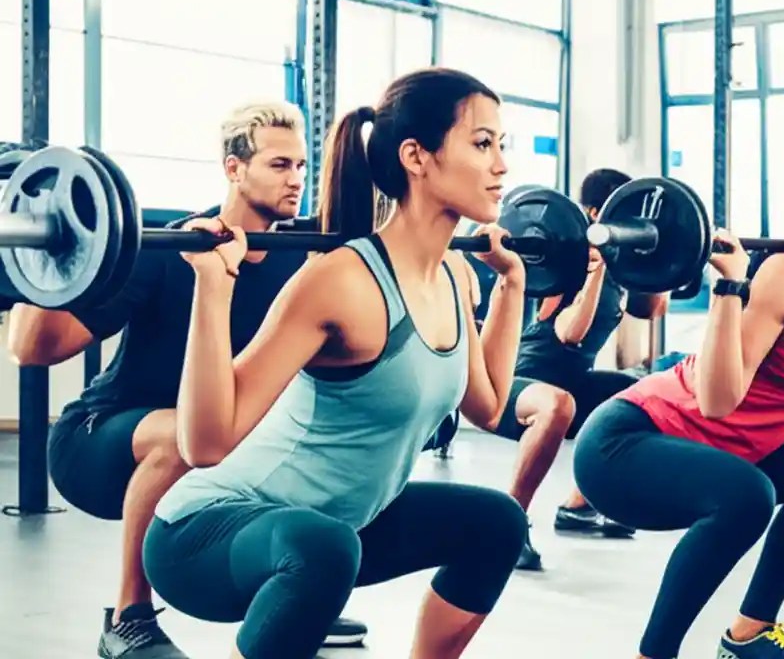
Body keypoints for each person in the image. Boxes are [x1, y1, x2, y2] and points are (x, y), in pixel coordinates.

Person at [140, 67, 530, 659]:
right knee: (323, 548)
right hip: (206, 534)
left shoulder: (453, 274)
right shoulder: (341, 282)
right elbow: (204, 444)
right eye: (482, 144)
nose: (501, 164)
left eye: (502, 145)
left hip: (342, 526)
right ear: (416, 157)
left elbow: (490, 405)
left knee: (497, 523)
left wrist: (511, 287)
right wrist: (213, 289)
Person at [6, 101, 368, 657]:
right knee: (185, 437)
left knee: (305, 435)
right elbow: (32, 348)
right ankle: (128, 617)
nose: (296, 179)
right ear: (233, 169)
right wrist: (50, 251)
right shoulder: (176, 247)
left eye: (301, 165)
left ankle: (303, 587)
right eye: (278, 165)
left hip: (216, 444)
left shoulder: (304, 262)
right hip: (98, 442)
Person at [573, 119, 784, 659]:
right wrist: (729, 286)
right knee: (746, 495)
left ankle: (749, 635)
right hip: (629, 444)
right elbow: (716, 402)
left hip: (718, 444)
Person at [460, 167, 666, 571]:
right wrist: (598, 269)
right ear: (593, 213)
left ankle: (579, 506)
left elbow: (650, 309)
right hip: (518, 382)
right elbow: (569, 334)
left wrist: (660, 260)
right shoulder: (566, 260)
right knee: (557, 405)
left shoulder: (620, 267)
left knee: (646, 399)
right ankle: (510, 524)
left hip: (573, 382)